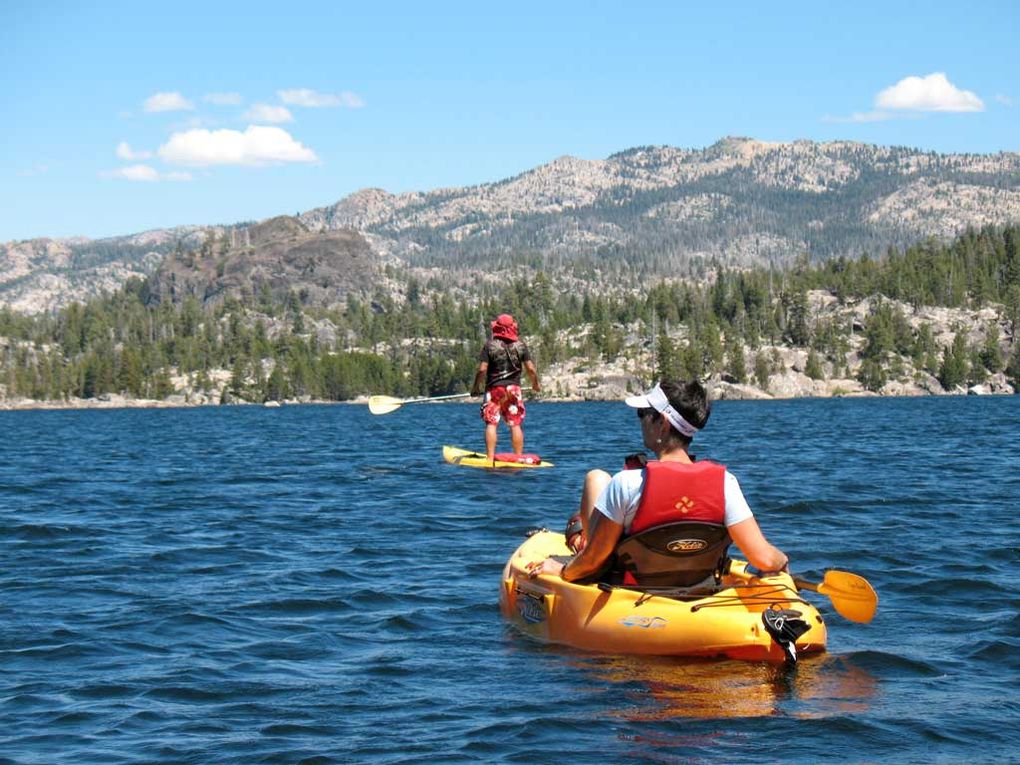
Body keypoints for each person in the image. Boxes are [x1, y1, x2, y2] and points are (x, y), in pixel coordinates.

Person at [528, 379, 789, 585]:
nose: (640, 421)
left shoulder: (626, 484)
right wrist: (782, 560)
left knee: (596, 479)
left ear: (662, 424)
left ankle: (578, 543)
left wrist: (561, 570)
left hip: (632, 591)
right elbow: (764, 557)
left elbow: (593, 561)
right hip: (697, 587)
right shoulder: (726, 484)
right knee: (598, 480)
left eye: (643, 413)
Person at [471, 313, 541, 461]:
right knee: (515, 424)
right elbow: (531, 369)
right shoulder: (521, 346)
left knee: (491, 422)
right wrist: (535, 384)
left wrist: (476, 387)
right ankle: (518, 458)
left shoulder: (489, 346)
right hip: (513, 390)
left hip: (494, 389)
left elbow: (482, 369)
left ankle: (490, 459)